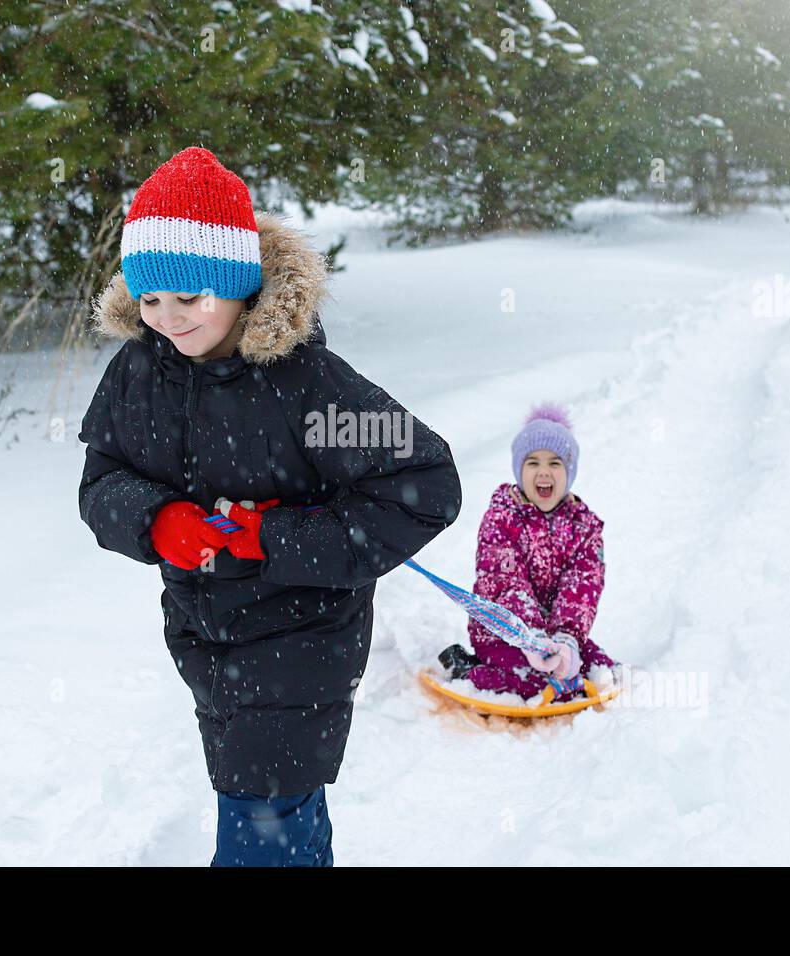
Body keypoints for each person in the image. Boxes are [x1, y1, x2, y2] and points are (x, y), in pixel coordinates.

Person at [77, 147, 461, 865]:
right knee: (272, 810)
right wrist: (157, 519)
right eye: (151, 298)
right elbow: (101, 481)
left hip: (302, 640)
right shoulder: (139, 371)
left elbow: (427, 486)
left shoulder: (306, 385)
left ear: (238, 283)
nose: (168, 319)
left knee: (263, 821)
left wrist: (273, 538)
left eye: (191, 298)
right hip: (203, 636)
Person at [439, 404, 618, 701]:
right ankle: (465, 671)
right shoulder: (502, 518)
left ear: (569, 471)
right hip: (501, 631)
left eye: (555, 463)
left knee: (598, 666)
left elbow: (582, 584)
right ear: (519, 469)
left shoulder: (584, 526)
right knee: (532, 681)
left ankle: (578, 664)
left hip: (553, 631)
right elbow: (504, 581)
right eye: (533, 462)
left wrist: (567, 638)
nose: (544, 472)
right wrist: (530, 636)